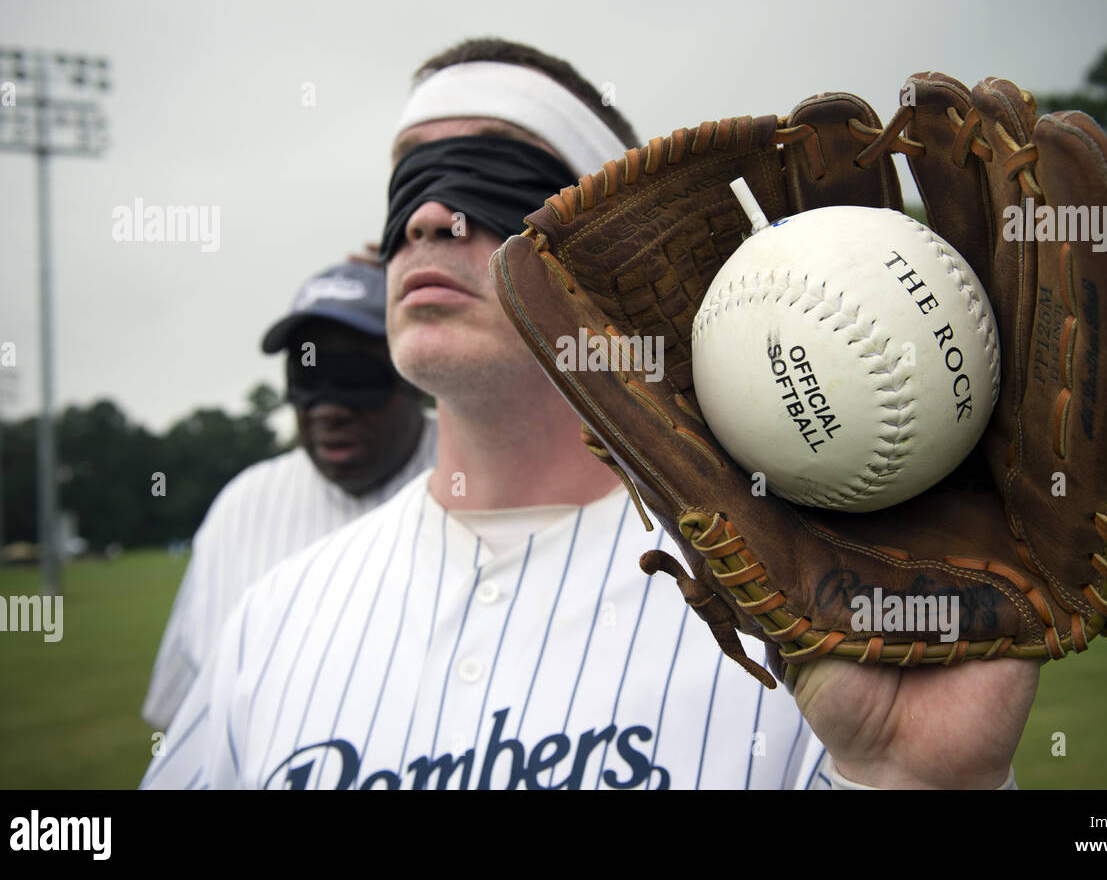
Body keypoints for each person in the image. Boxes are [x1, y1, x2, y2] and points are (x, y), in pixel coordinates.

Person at [141, 39, 1036, 789]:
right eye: (406, 188)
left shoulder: (793, 614)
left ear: (606, 251)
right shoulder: (274, 620)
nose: (431, 217)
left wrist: (912, 785)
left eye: (493, 179)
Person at [141, 261, 437, 731]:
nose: (328, 408)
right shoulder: (242, 505)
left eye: (356, 376)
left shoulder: (487, 476)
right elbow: (181, 714)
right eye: (307, 377)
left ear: (416, 374)